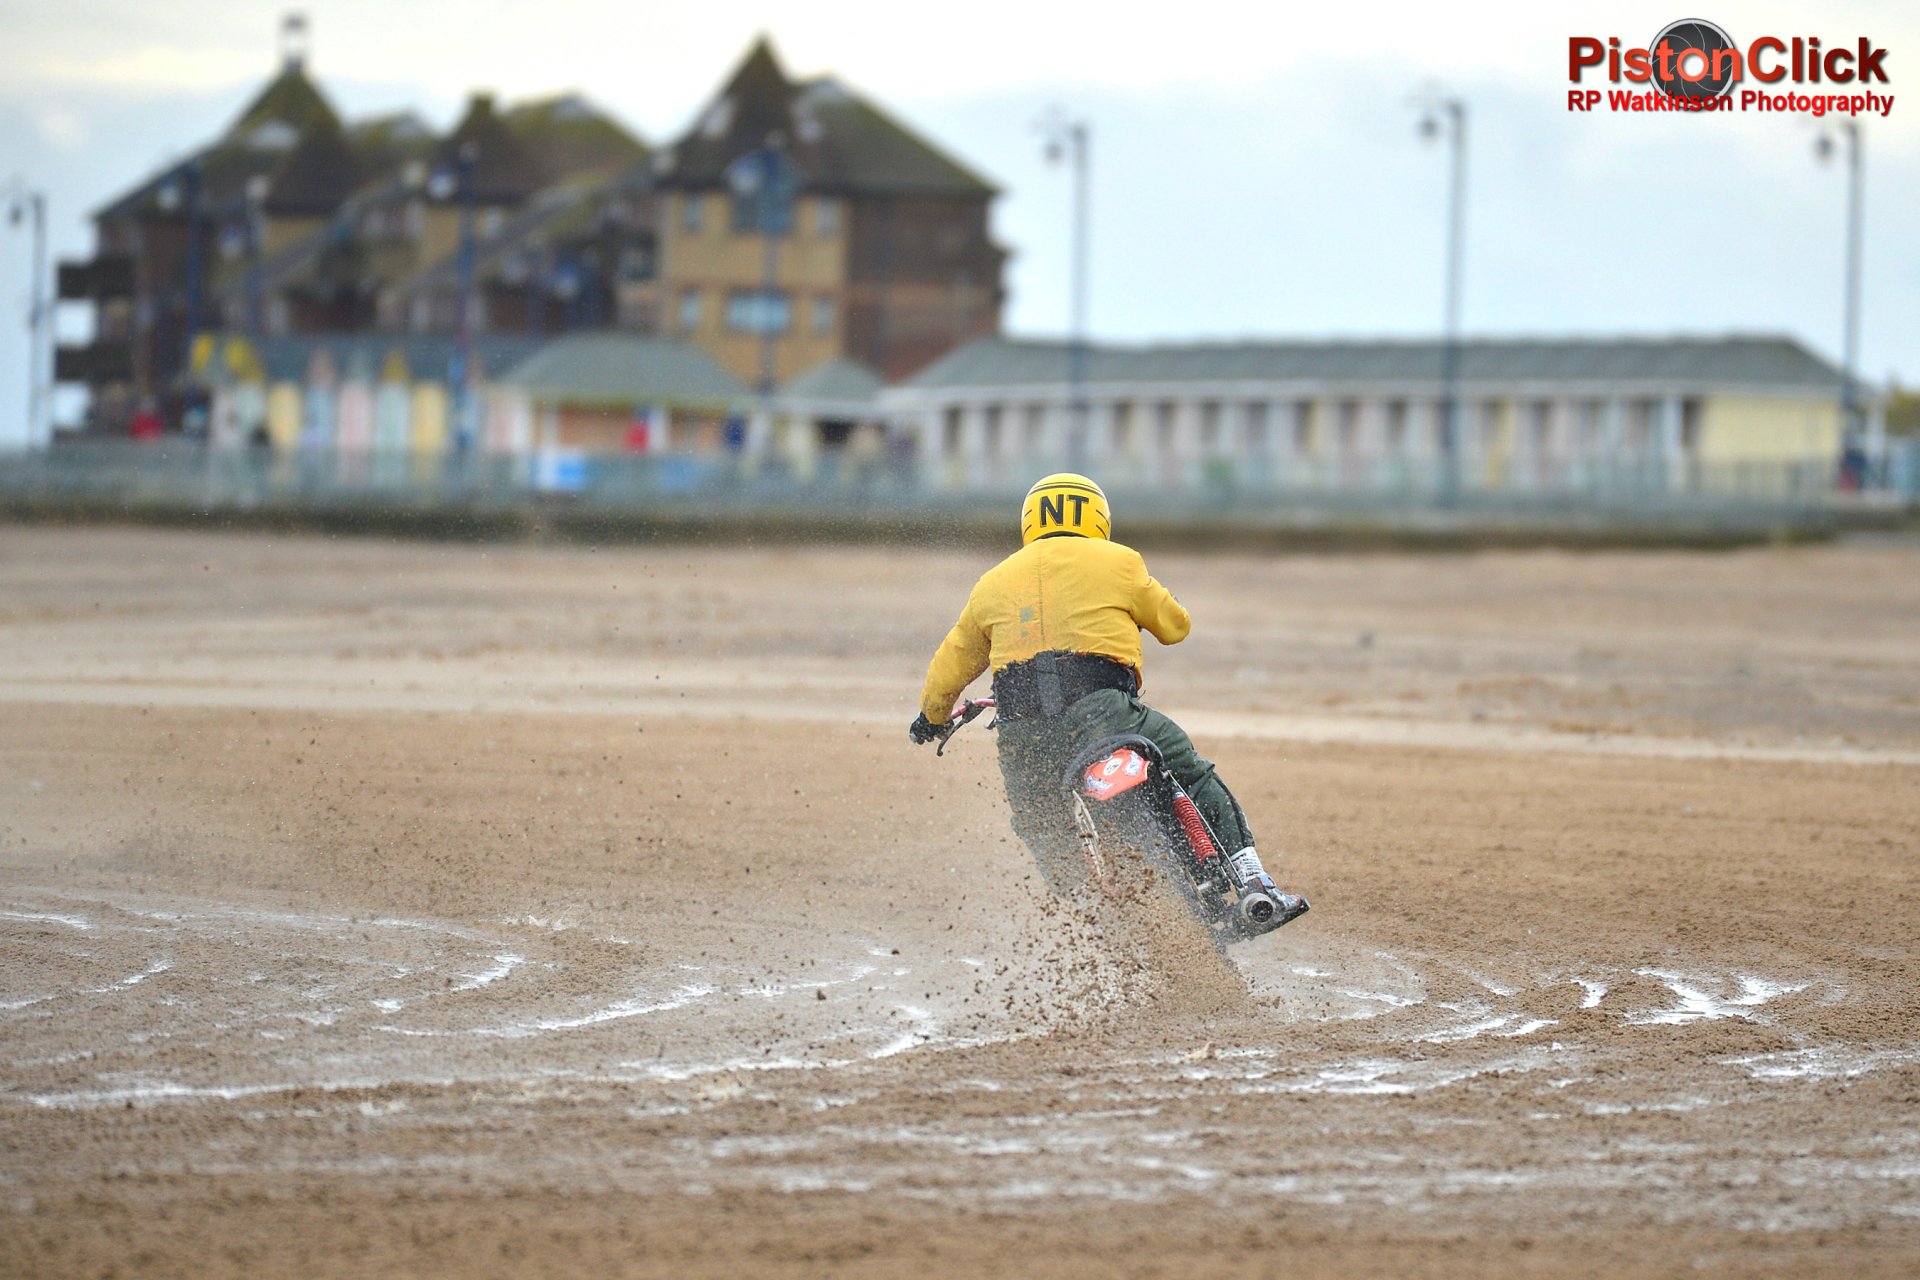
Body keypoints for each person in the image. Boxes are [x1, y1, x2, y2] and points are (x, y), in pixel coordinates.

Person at [910, 472, 1306, 924]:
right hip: (1105, 711)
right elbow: (1175, 627)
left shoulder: (992, 583)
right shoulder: (1121, 562)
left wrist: (931, 717)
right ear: (1098, 518)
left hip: (1024, 732)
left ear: (1030, 521)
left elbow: (951, 664)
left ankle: (1093, 915)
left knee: (1040, 821)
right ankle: (1256, 885)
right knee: (1189, 769)